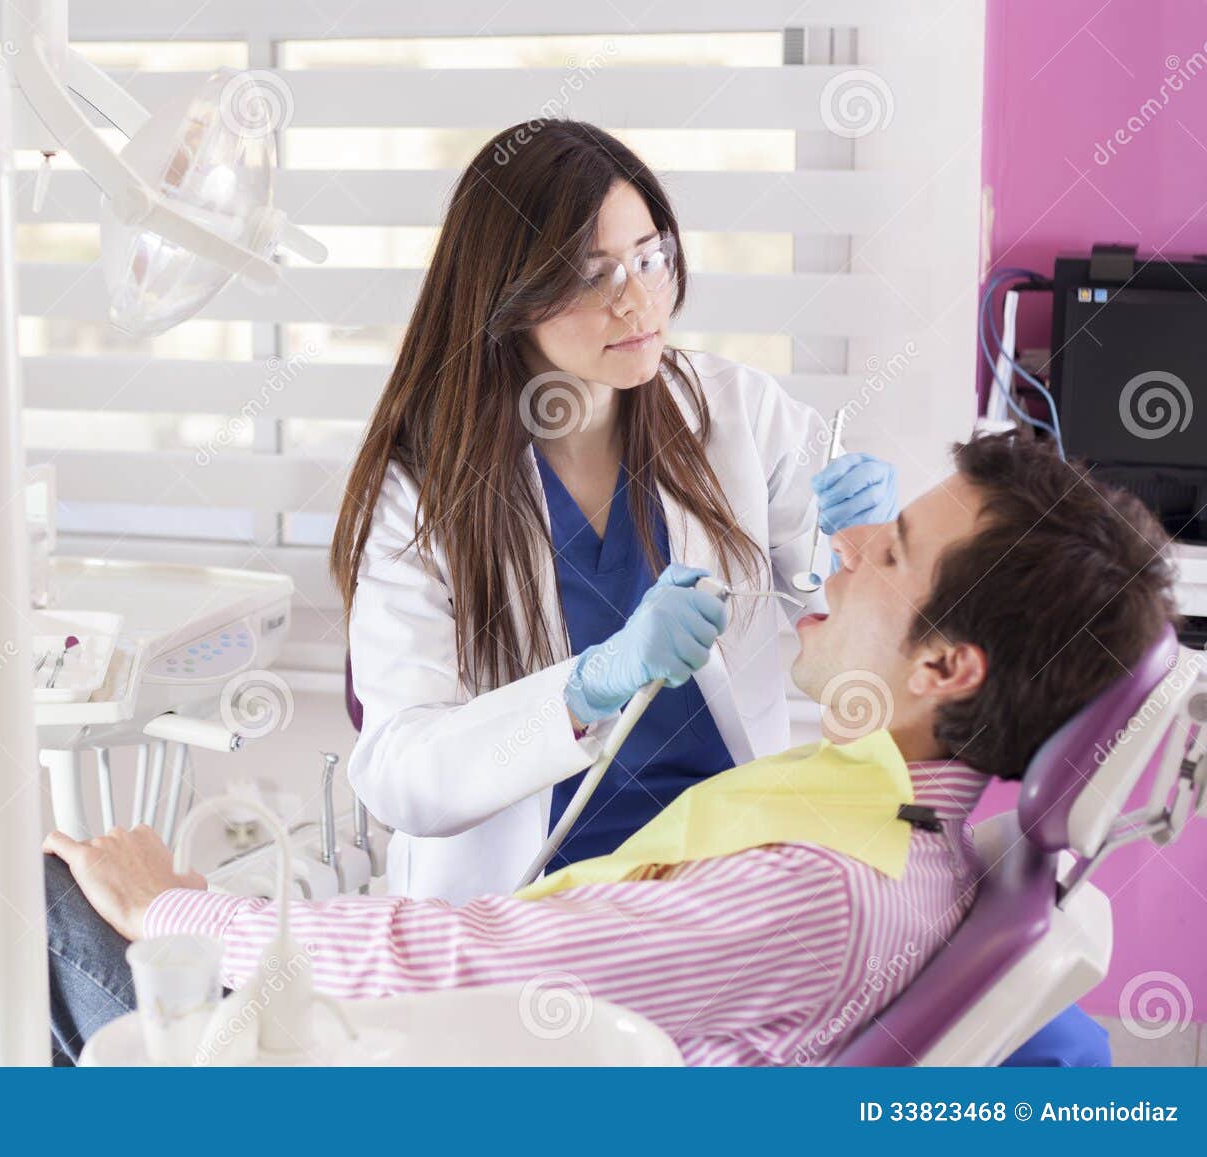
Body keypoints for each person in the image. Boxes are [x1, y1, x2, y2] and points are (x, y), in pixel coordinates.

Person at [0, 433, 1173, 1067]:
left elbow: (472, 971)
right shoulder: (920, 820)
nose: (846, 545)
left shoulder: (831, 884)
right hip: (476, 1017)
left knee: (27, 921)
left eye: (893, 548)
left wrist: (175, 912)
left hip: (440, 1068)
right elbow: (420, 783)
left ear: (945, 668)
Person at [327, 119, 898, 903]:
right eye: (590, 275)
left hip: (721, 873)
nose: (638, 302)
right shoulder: (424, 492)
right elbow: (399, 775)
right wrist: (591, 685)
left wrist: (865, 541)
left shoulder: (739, 411)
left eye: (649, 257)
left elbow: (828, 600)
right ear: (506, 298)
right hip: (530, 901)